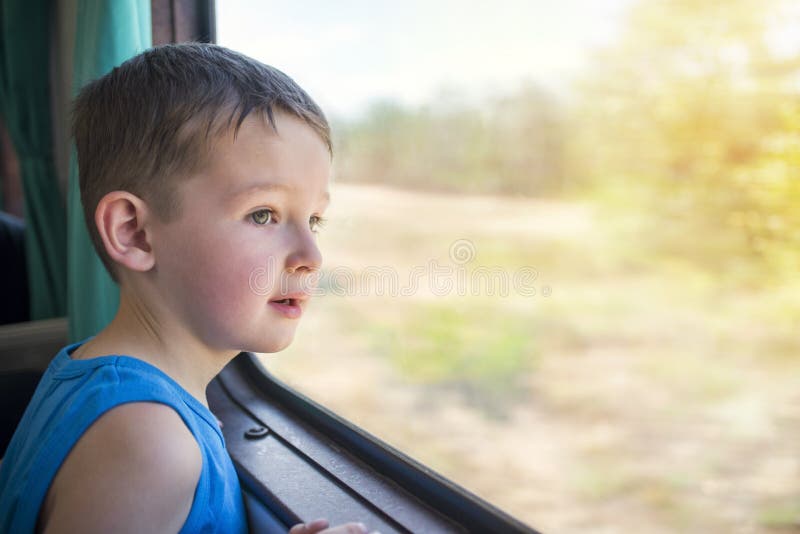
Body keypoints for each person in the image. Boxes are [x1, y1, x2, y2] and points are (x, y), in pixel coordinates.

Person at [0, 43, 370, 534]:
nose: (311, 257)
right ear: (134, 232)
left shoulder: (92, 371)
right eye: (264, 214)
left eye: (315, 220)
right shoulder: (148, 442)